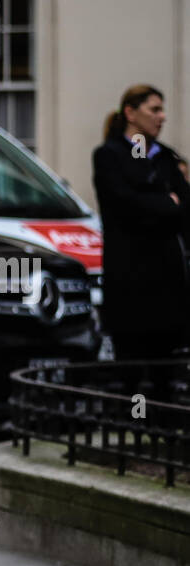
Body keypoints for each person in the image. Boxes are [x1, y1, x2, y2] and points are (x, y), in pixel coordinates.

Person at [91, 84, 190, 359]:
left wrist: (165, 205)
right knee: (133, 374)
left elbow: (184, 206)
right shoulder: (110, 156)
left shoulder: (165, 158)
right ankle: (137, 405)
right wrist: (167, 202)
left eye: (162, 109)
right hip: (131, 284)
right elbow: (126, 204)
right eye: (154, 109)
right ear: (131, 113)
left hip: (168, 285)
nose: (162, 117)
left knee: (165, 373)